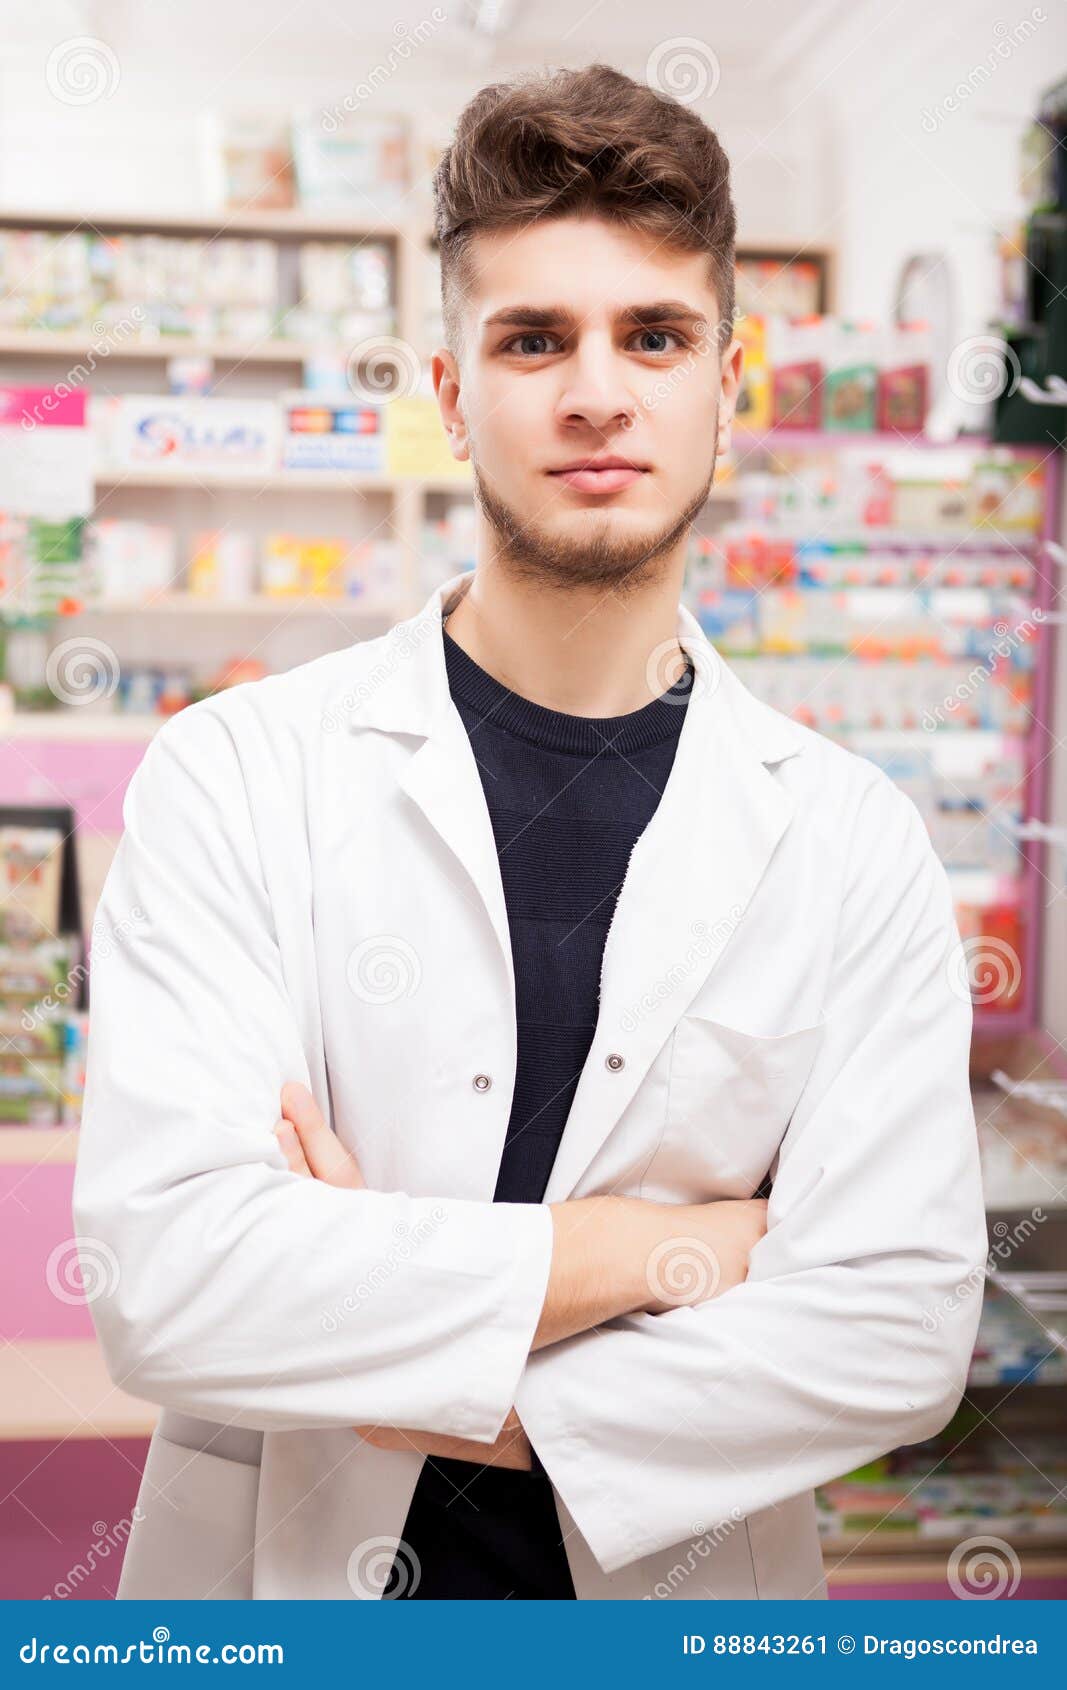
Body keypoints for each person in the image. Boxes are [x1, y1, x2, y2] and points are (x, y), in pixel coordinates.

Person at [73, 62, 988, 1603]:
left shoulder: (851, 840)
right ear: (450, 396)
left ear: (730, 378)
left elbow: (898, 1329)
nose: (596, 390)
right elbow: (167, 1287)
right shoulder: (235, 773)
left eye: (654, 334)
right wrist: (649, 1251)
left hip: (678, 1607)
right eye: (532, 338)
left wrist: (445, 1355)